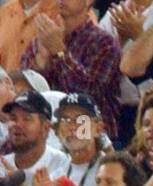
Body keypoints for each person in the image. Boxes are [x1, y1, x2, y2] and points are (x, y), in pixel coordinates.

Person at [20, 0, 122, 139]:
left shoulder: (104, 43)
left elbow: (87, 94)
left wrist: (59, 51)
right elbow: (23, 91)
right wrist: (42, 63)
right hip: (48, 134)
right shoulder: (44, 38)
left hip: (91, 135)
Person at [0, 88, 67, 186]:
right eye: (13, 118)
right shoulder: (2, 165)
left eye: (27, 119)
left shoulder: (62, 164)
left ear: (45, 128)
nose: (17, 124)